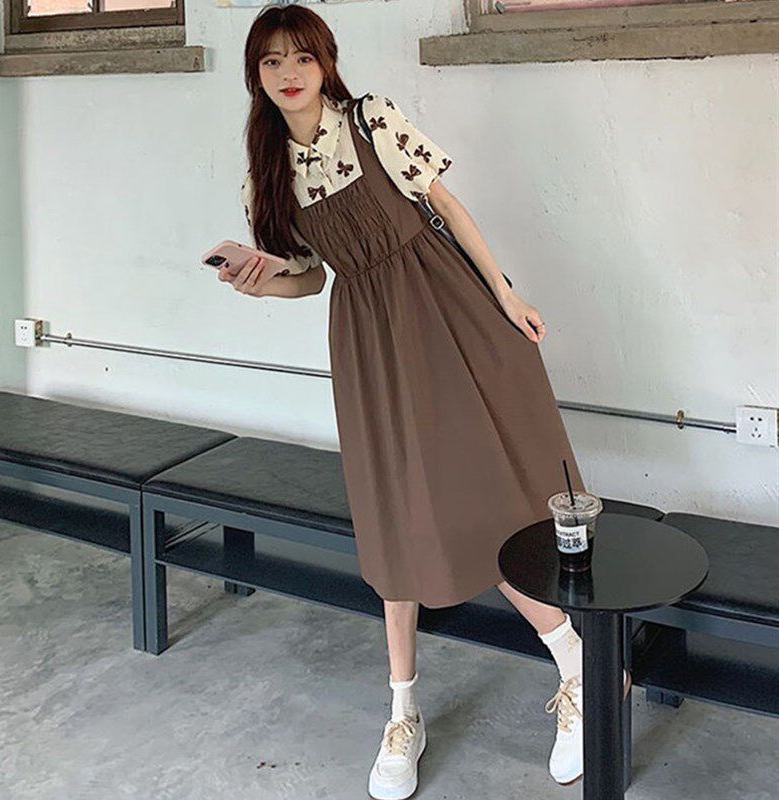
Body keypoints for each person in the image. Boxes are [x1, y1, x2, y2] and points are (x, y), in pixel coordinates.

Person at [221, 5, 630, 799]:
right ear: (256, 76)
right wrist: (259, 285)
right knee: (394, 513)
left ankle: (581, 667)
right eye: (271, 61)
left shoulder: (370, 120)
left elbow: (445, 204)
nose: (289, 72)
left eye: (302, 56)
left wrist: (505, 293)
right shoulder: (264, 173)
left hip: (444, 311)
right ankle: (402, 711)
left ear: (325, 61)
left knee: (484, 495)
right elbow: (308, 276)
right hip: (368, 342)